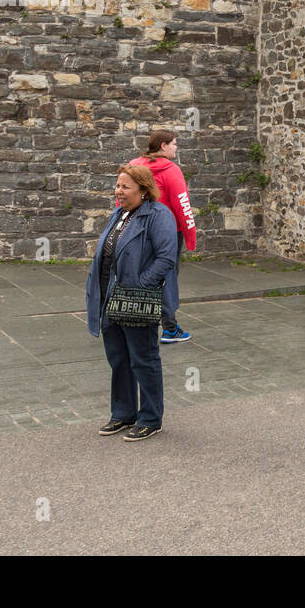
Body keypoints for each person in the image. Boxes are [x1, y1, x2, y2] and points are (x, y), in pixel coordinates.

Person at [84, 164, 179, 441]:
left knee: (143, 359)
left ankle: (150, 417)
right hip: (109, 299)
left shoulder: (159, 215)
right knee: (119, 359)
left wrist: (141, 285)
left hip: (135, 299)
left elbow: (166, 258)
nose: (118, 191)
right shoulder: (120, 213)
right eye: (117, 186)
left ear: (143, 189)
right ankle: (124, 413)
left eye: (125, 187)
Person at [129, 129, 196, 344]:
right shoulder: (171, 170)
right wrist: (191, 236)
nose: (176, 147)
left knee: (138, 273)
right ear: (164, 146)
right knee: (166, 277)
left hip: (138, 230)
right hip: (168, 233)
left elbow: (124, 197)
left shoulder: (134, 166)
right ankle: (169, 328)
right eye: (174, 144)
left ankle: (137, 325)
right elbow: (182, 205)